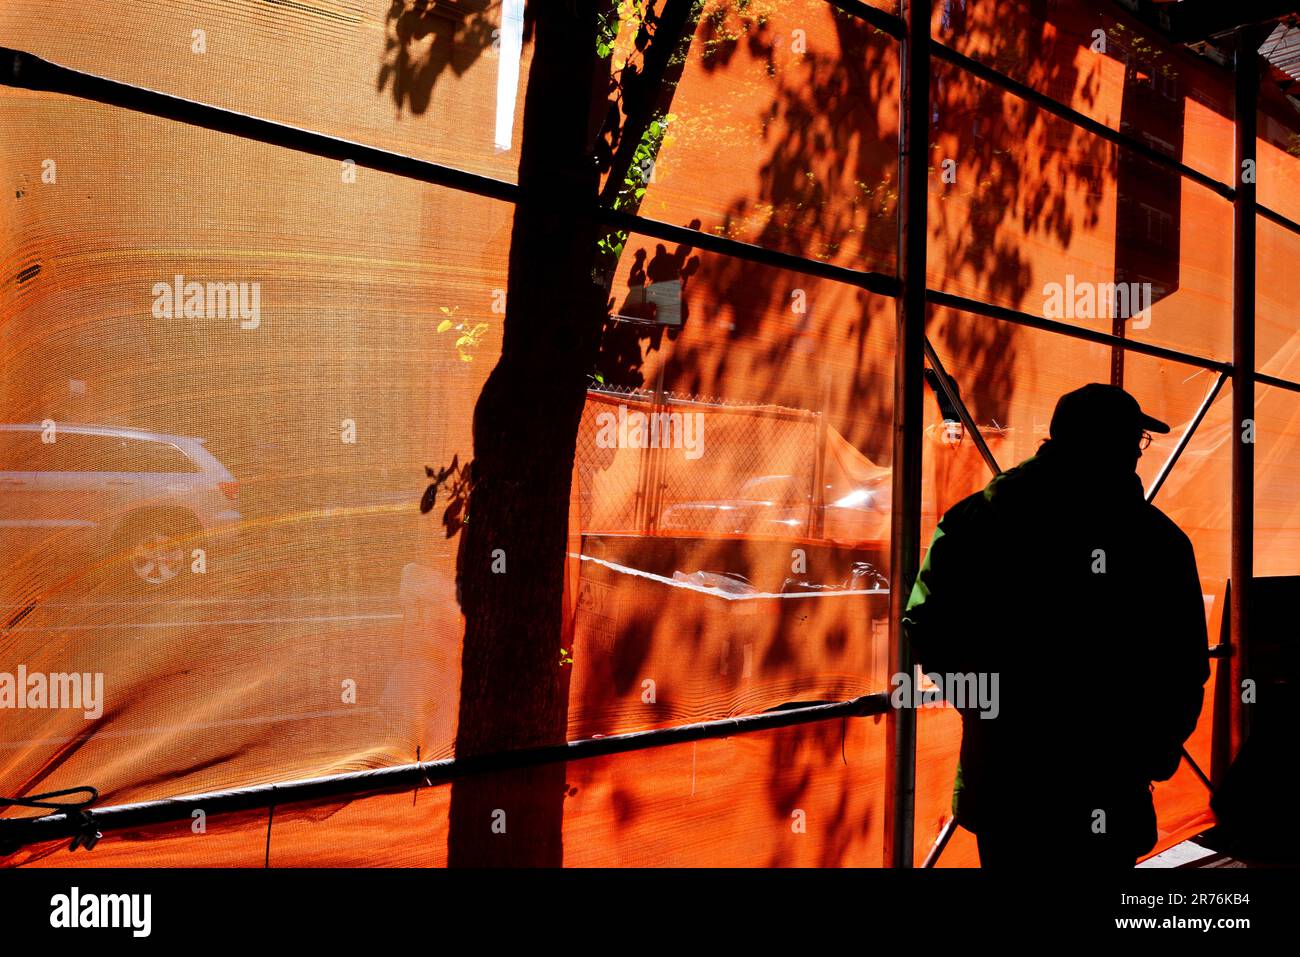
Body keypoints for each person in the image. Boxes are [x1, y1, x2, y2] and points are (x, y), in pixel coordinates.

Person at [903, 383, 1211, 867]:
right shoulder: (1155, 543)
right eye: (1135, 440)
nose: (1137, 452)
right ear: (1113, 444)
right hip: (1109, 780)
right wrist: (1154, 750)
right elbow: (1182, 662)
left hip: (1007, 781)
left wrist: (989, 707)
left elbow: (926, 624)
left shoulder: (977, 521)